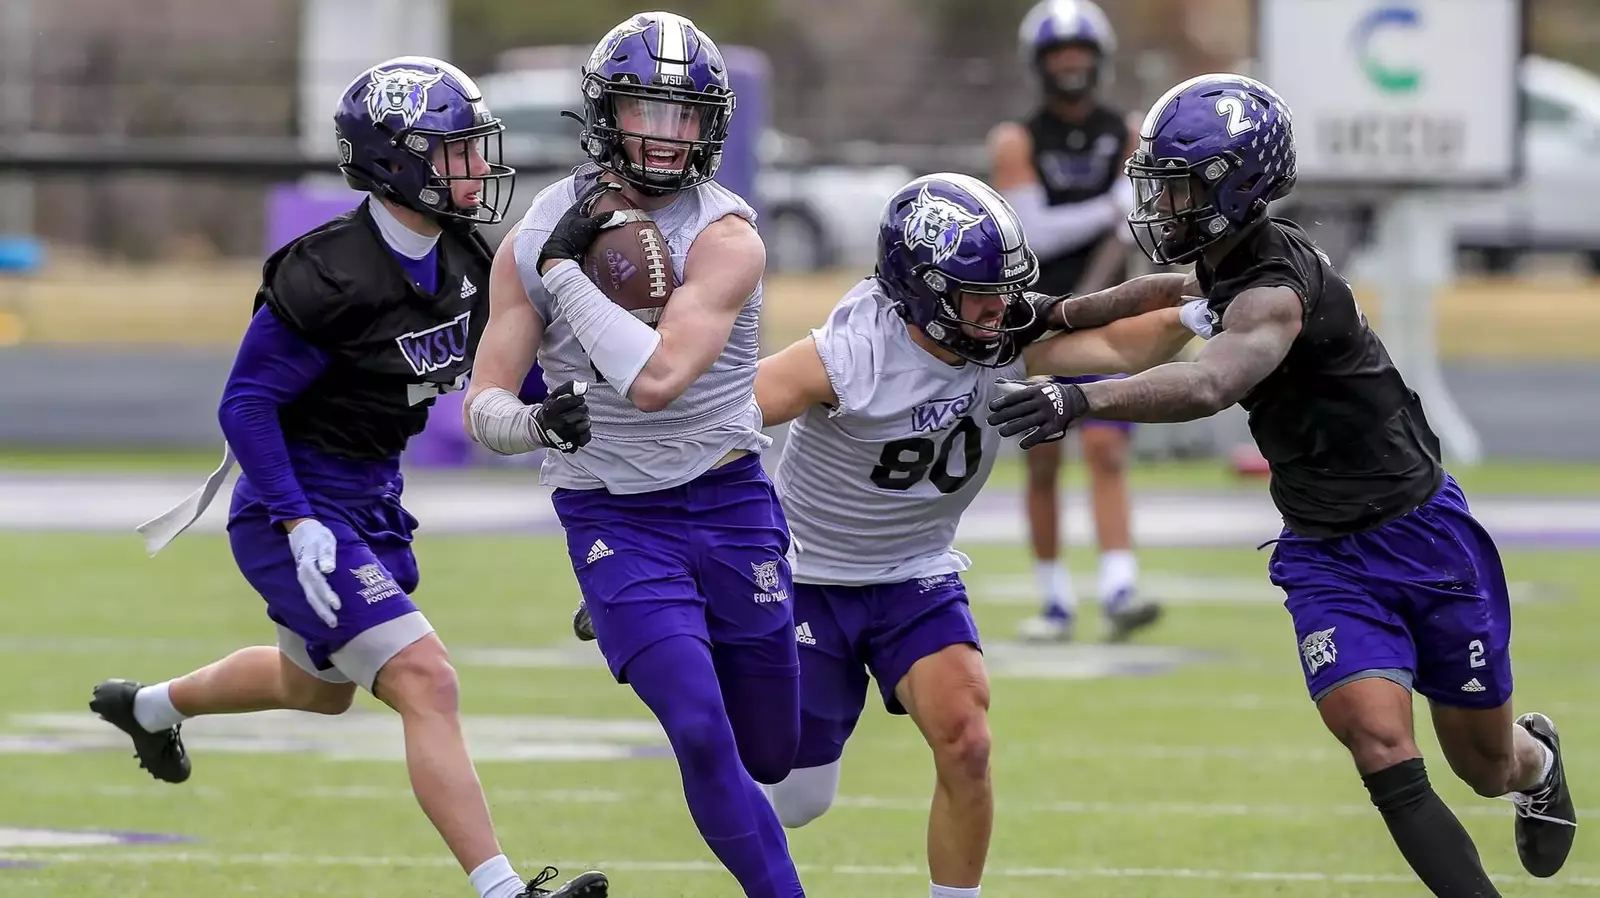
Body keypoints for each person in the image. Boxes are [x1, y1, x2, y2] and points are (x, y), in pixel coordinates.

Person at [986, 72, 1579, 893]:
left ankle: (1537, 759)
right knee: (1377, 739)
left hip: (1422, 534)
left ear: (1239, 185)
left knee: (1485, 764)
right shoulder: (1229, 258)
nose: (1164, 203)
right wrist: (1058, 314)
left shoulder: (1276, 289)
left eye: (1181, 185)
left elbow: (1209, 386)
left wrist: (1079, 397)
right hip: (1325, 551)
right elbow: (1167, 288)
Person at [91, 56, 605, 898]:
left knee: (316, 688)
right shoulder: (329, 271)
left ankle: (147, 708)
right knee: (426, 678)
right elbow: (245, 407)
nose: (477, 167)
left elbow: (505, 379)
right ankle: (505, 890)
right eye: (456, 151)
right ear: (396, 161)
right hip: (292, 504)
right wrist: (297, 523)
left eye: (476, 149)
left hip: (371, 496)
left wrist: (560, 409)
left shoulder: (464, 262)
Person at [748, 173, 1194, 898]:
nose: (1001, 310)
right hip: (810, 578)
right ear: (921, 292)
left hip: (916, 574)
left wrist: (1205, 314)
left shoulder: (1001, 337)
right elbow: (717, 426)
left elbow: (1120, 347)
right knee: (800, 801)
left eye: (1006, 290)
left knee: (969, 741)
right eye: (980, 294)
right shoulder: (846, 356)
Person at [463, 12, 806, 898]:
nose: (662, 135)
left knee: (773, 749)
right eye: (643, 110)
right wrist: (540, 426)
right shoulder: (538, 230)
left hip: (728, 496)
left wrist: (570, 275)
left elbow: (658, 383)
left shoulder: (729, 236)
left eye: (682, 115)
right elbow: (485, 402)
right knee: (698, 728)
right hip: (612, 508)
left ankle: (655, 617)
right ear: (604, 114)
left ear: (712, 127)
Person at [988, 0, 1157, 643]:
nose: (1070, 66)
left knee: (1108, 448)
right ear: (1040, 63)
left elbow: (1139, 221)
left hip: (1112, 315)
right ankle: (1054, 597)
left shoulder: (1130, 133)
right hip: (1039, 316)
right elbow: (1036, 230)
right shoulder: (1017, 139)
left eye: (1079, 54)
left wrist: (1126, 208)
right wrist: (1109, 205)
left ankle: (1119, 585)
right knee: (1042, 454)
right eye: (1058, 55)